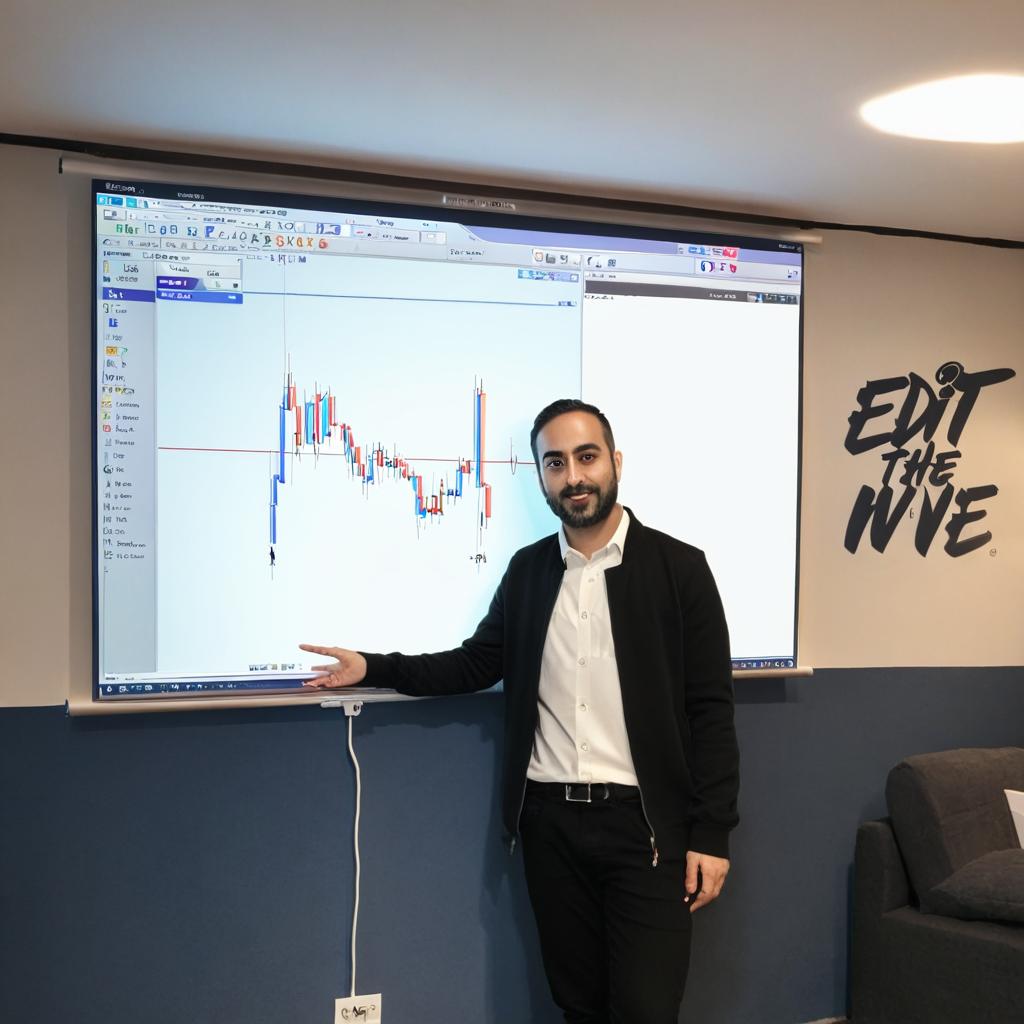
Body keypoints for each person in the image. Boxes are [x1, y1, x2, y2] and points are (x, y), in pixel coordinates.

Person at [301, 398, 740, 1024]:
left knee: (646, 1010)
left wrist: (712, 834)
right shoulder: (529, 571)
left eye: (586, 457)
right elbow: (474, 663)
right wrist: (374, 668)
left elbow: (711, 710)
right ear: (540, 476)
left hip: (645, 832)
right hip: (550, 825)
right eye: (555, 463)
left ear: (615, 462)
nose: (573, 477)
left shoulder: (680, 569)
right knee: (578, 1005)